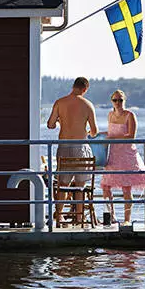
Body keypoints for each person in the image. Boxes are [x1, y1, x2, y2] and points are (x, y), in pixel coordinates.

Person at [46, 76, 98, 225]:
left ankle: (60, 216)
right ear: (85, 89)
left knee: (63, 183)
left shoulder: (59, 102)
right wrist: (86, 130)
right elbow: (94, 132)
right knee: (80, 185)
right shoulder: (88, 105)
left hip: (64, 147)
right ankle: (80, 217)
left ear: (73, 86)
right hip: (81, 147)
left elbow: (50, 125)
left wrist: (59, 122)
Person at [100, 90, 145, 226]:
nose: (117, 103)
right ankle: (111, 215)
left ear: (124, 100)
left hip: (126, 154)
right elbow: (110, 132)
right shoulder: (110, 115)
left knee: (126, 188)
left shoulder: (130, 115)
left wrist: (112, 138)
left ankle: (127, 219)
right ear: (111, 101)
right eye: (115, 100)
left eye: (120, 100)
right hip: (113, 154)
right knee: (105, 186)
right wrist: (99, 134)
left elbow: (131, 136)